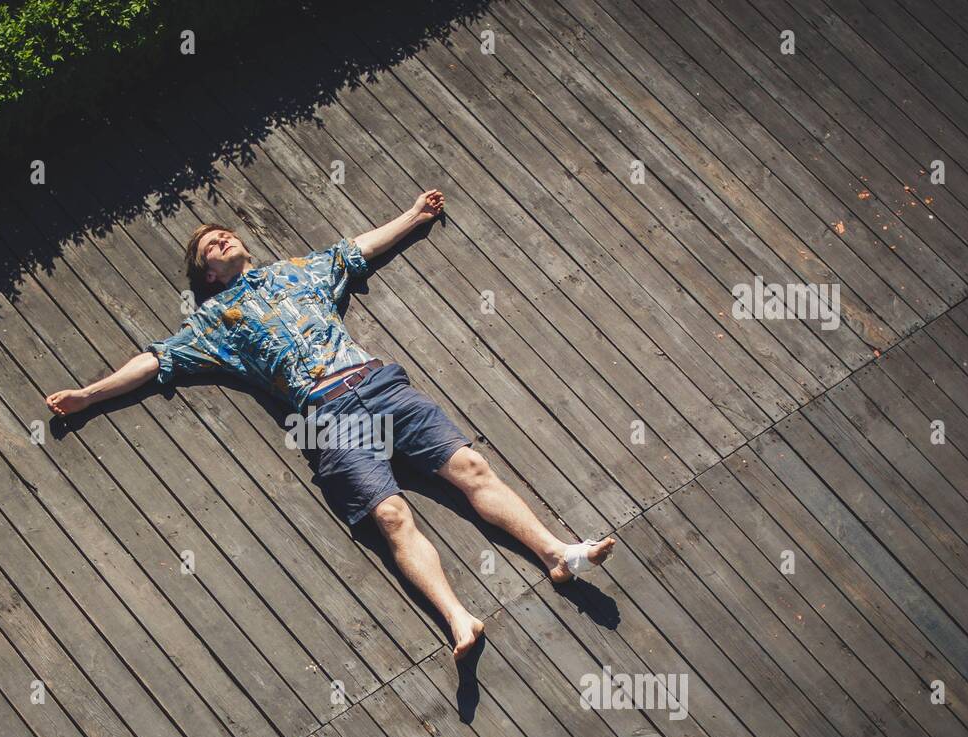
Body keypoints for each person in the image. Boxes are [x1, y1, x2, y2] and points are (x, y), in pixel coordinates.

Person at [46, 190, 613, 659]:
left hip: (377, 384)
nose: (218, 241)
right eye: (206, 250)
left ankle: (557, 553)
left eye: (222, 234)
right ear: (209, 276)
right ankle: (460, 620)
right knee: (391, 516)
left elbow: (357, 250)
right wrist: (89, 395)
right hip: (325, 416)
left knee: (470, 466)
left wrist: (413, 217)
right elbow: (154, 361)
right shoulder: (212, 321)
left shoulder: (299, 272)